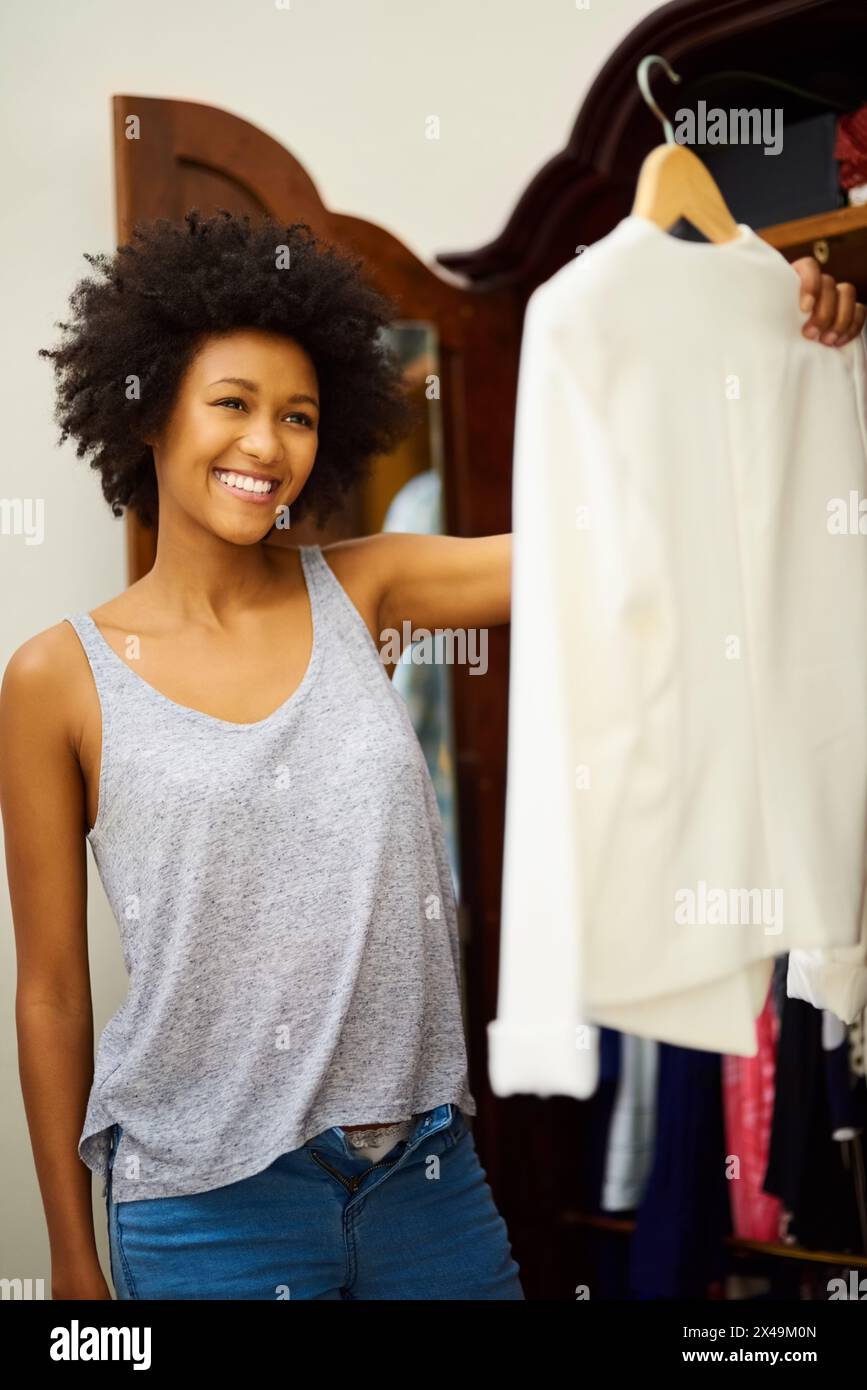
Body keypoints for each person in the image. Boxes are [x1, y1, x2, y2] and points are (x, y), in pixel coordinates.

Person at [0, 209, 860, 1301]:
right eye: (232, 404)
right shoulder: (56, 678)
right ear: (149, 409)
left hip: (425, 1180)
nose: (267, 445)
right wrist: (72, 1257)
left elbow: (628, 549)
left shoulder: (371, 590)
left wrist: (775, 352)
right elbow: (51, 995)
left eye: (299, 417)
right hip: (210, 1203)